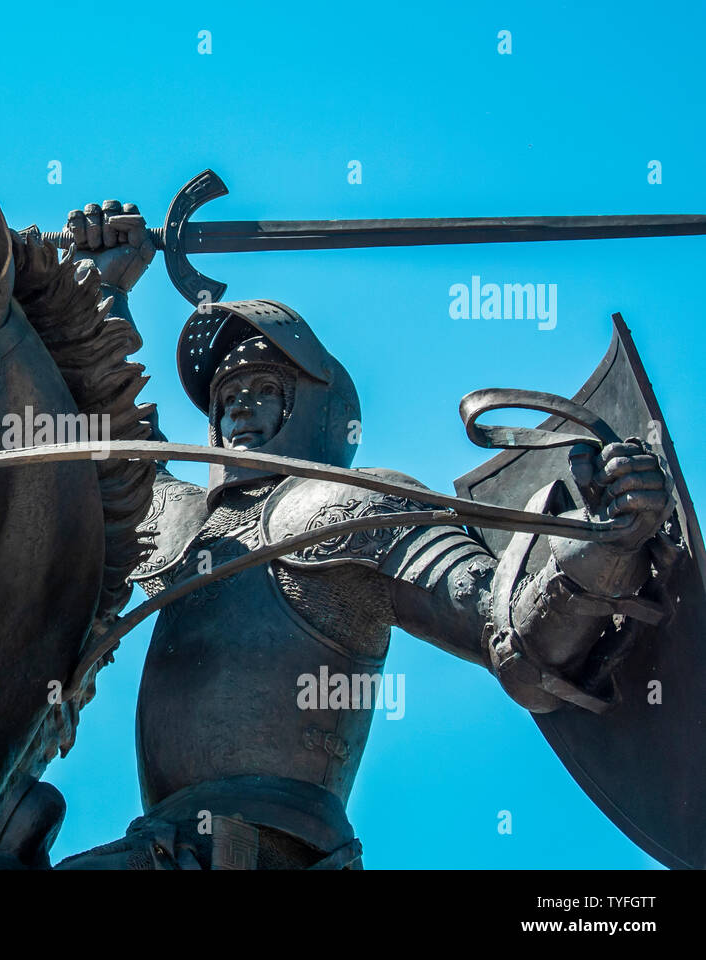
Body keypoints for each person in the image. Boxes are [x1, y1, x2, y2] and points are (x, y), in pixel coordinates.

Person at [53, 201, 677, 869]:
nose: (234, 402)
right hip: (159, 845)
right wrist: (103, 287)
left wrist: (599, 548)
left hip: (270, 849)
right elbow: (111, 447)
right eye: (225, 392)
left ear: (316, 407)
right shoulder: (185, 523)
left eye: (262, 385)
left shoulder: (355, 505)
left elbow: (511, 635)